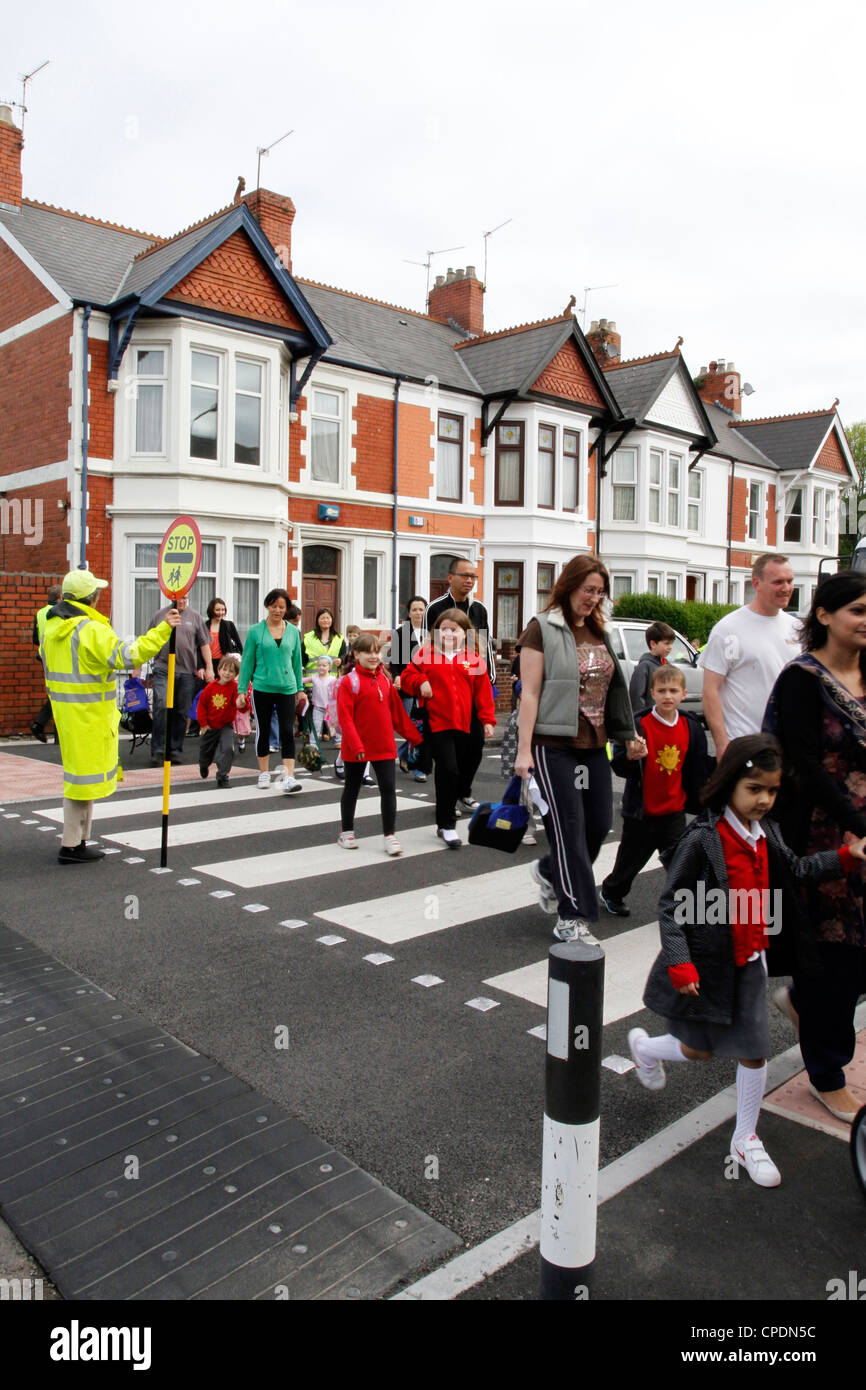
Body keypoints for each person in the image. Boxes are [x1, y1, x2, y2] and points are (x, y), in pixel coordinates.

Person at [630, 735, 866, 1186]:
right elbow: (671, 905)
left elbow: (796, 870)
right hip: (708, 965)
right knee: (698, 1050)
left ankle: (745, 1137)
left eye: (772, 791)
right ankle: (644, 1048)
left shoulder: (767, 833)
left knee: (754, 1052)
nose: (764, 799)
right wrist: (681, 963)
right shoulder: (703, 839)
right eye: (754, 788)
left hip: (751, 961)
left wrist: (844, 857)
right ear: (729, 784)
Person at [763, 572, 866, 1123]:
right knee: (839, 958)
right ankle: (827, 1072)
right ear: (824, 616)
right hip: (827, 836)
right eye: (857, 610)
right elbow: (802, 764)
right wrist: (854, 824)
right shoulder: (802, 679)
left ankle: (803, 1003)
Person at [514, 556, 644, 942]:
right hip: (553, 745)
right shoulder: (542, 628)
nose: (593, 598)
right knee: (568, 828)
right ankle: (572, 916)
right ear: (569, 586)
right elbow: (531, 693)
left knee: (599, 823)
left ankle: (552, 873)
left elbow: (611, 692)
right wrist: (524, 751)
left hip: (593, 745)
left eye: (600, 592)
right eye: (588, 589)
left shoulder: (598, 630)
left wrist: (628, 734)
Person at [39, 568, 180, 864]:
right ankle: (71, 846)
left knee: (79, 779)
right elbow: (128, 655)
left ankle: (77, 841)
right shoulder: (90, 629)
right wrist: (163, 629)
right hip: (90, 716)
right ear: (92, 597)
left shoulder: (51, 628)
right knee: (81, 783)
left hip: (67, 715)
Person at [600, 666, 712, 916]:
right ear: (652, 693)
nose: (668, 696)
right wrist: (629, 756)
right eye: (661, 691)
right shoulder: (639, 725)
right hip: (642, 811)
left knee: (680, 863)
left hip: (674, 810)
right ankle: (611, 892)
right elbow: (619, 765)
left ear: (684, 694)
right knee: (629, 863)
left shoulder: (690, 725)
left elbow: (698, 764)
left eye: (673, 691)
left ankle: (687, 906)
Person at [400, 609, 496, 849]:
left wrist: (487, 721)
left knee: (471, 759)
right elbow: (408, 677)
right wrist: (421, 682)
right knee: (448, 769)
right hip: (438, 722)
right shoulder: (425, 654)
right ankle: (446, 824)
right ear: (437, 632)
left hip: (467, 721)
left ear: (465, 633)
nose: (449, 634)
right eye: (444, 629)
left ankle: (461, 792)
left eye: (455, 629)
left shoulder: (473, 659)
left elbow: (483, 692)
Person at [698, 553, 799, 760]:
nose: (786, 588)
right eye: (778, 582)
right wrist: (722, 744)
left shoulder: (797, 629)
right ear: (756, 583)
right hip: (744, 747)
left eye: (790, 581)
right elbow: (710, 691)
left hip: (787, 748)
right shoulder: (728, 629)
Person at [336, 633, 423, 856]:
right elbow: (345, 717)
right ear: (356, 654)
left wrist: (416, 738)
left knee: (388, 789)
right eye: (368, 652)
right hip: (356, 748)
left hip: (384, 745)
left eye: (377, 651)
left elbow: (398, 715)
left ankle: (389, 835)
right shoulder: (349, 682)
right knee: (352, 788)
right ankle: (346, 831)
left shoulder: (384, 679)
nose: (374, 656)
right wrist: (356, 746)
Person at [425, 558, 495, 812]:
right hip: (442, 691)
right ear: (450, 577)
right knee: (447, 756)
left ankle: (463, 791)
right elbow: (426, 646)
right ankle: (447, 798)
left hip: (473, 687)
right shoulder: (435, 608)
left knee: (475, 747)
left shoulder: (480, 610)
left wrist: (490, 679)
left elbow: (485, 647)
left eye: (473, 576)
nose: (469, 580)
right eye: (464, 575)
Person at [239, 588, 304, 793]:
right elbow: (247, 663)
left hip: (287, 688)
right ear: (267, 606)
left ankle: (289, 776)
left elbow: (296, 663)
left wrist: (300, 689)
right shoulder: (255, 631)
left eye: (282, 607)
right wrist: (242, 690)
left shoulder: (293, 632)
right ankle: (264, 772)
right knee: (264, 730)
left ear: (287, 609)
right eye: (274, 606)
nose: (277, 610)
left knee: (286, 731)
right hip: (262, 687)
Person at [149, 594, 213, 765]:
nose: (182, 601)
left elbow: (204, 644)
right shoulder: (160, 615)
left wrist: (209, 667)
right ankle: (158, 749)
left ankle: (175, 749)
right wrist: (137, 666)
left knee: (181, 711)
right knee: (161, 705)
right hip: (163, 668)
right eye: (179, 598)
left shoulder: (195, 617)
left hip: (186, 671)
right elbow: (149, 640)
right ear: (172, 598)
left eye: (185, 598)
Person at [390, 595, 428, 782]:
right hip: (406, 685)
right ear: (409, 612)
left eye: (421, 609)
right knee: (408, 725)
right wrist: (397, 676)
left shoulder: (433, 633)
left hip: (426, 687)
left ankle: (413, 761)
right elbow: (395, 661)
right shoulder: (401, 633)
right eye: (415, 609)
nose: (418, 613)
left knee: (422, 727)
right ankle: (406, 753)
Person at [198, 654, 247, 788]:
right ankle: (204, 764)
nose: (227, 673)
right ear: (219, 670)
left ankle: (222, 775)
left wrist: (242, 703)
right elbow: (201, 705)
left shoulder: (234, 688)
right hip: (210, 726)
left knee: (227, 749)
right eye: (225, 670)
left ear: (236, 674)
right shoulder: (210, 687)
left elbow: (240, 705)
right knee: (206, 751)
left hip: (226, 725)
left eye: (231, 671)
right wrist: (203, 724)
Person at [31, 583, 62, 742]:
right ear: (60, 597)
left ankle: (40, 724)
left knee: (53, 692)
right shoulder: (60, 612)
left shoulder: (40, 613)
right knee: (60, 693)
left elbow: (35, 639)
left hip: (44, 657)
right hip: (58, 656)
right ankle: (57, 734)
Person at [628, 621, 674, 714]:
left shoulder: (667, 665)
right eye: (666, 643)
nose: (670, 647)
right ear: (653, 644)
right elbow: (636, 696)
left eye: (671, 643)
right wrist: (641, 719)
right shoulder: (644, 666)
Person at [302, 609, 347, 686]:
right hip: (312, 684)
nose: (325, 620)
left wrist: (341, 660)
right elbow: (301, 660)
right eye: (322, 618)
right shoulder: (308, 638)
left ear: (332, 620)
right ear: (317, 621)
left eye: (328, 618)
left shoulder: (339, 639)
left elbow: (345, 655)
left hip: (332, 683)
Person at [310, 656, 338, 740]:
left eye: (324, 665)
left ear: (329, 668)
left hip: (329, 709)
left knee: (332, 726)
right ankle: (313, 744)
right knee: (316, 726)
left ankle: (337, 741)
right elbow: (302, 680)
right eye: (319, 665)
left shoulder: (332, 679)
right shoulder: (314, 677)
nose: (321, 667)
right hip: (318, 708)